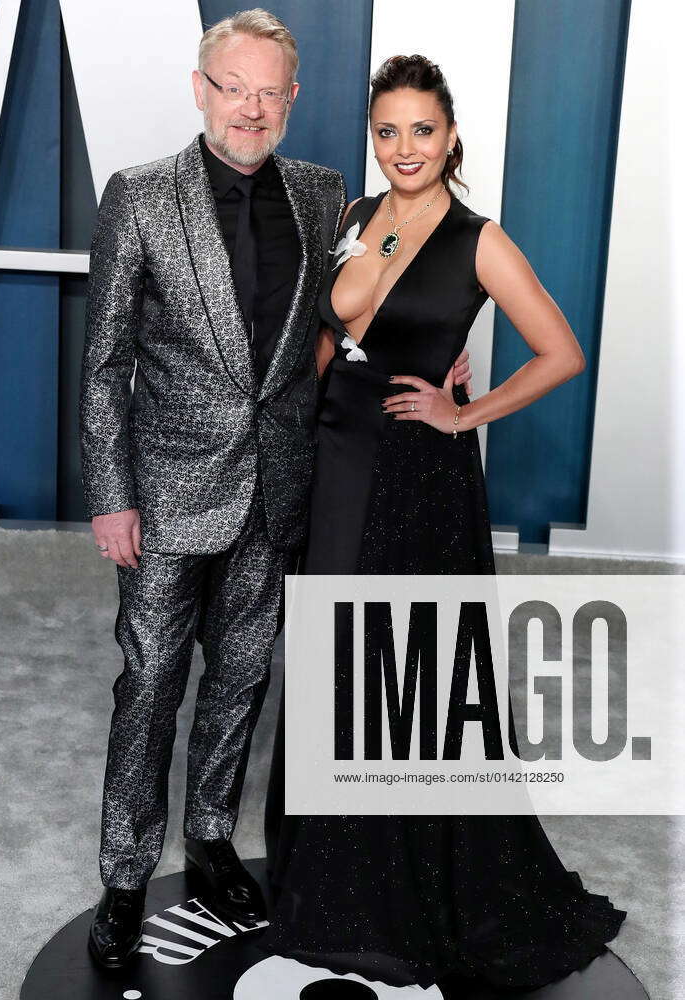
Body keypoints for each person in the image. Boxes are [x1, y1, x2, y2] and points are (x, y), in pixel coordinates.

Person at [78, 8, 476, 971]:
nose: (249, 109)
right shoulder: (139, 195)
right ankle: (126, 876)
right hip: (167, 492)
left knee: (242, 678)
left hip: (279, 484)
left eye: (269, 93)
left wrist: (437, 349)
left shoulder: (323, 193)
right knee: (150, 684)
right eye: (233, 88)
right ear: (201, 89)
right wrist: (111, 494)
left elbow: (355, 311)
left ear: (291, 101)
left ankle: (210, 839)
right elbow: (105, 364)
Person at [260, 54, 627, 992]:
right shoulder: (353, 217)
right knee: (330, 659)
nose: (405, 148)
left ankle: (394, 887)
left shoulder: (478, 239)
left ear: (451, 135)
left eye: (422, 130)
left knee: (402, 673)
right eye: (387, 131)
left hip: (415, 476)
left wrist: (465, 412)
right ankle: (327, 873)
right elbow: (325, 339)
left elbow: (561, 352)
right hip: (333, 462)